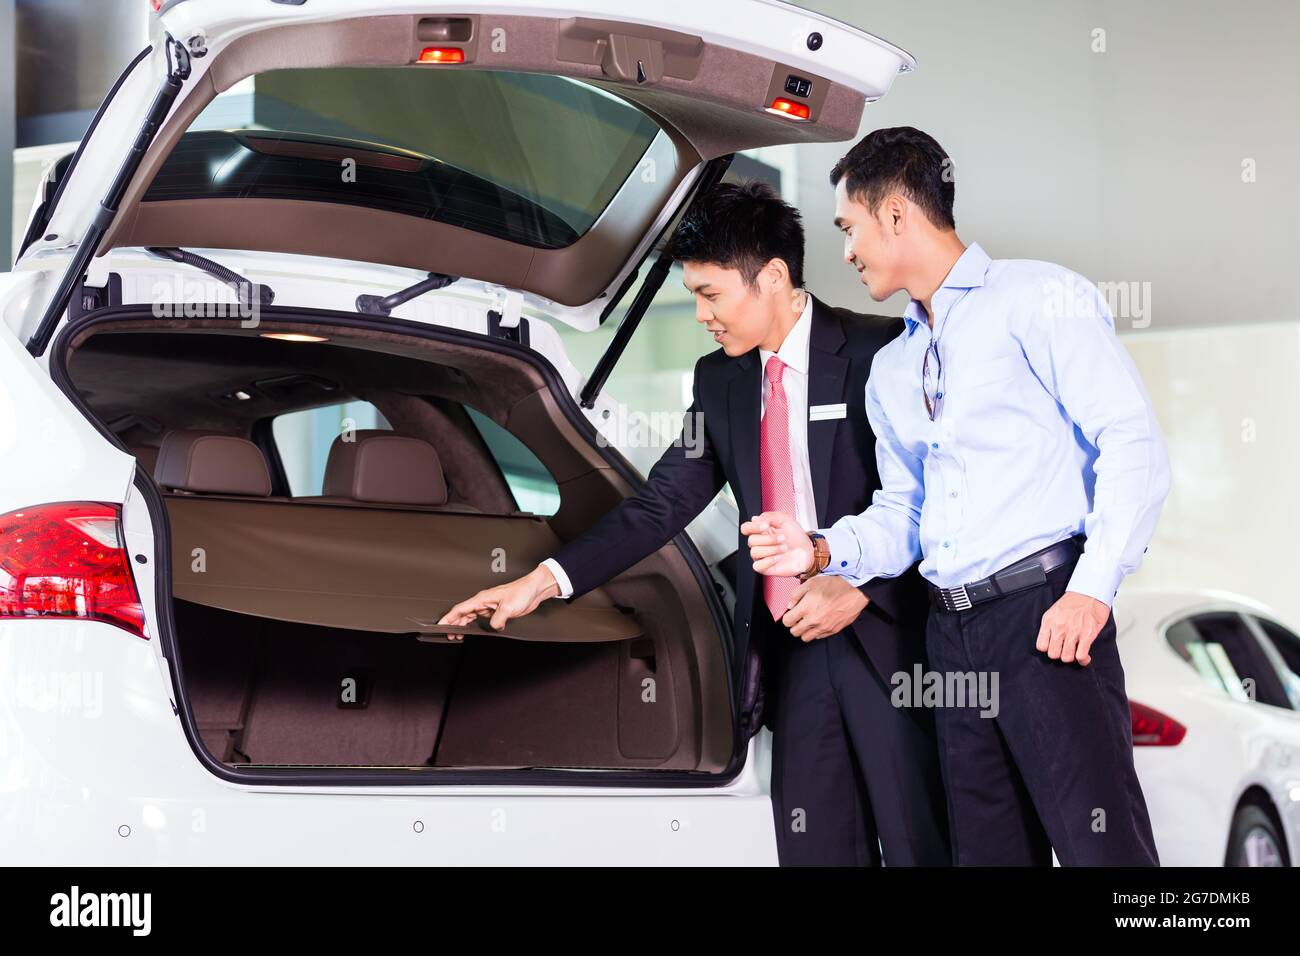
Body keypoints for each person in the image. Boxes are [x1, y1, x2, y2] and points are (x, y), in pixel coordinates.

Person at [440, 181, 950, 866]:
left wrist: (860, 585)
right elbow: (662, 505)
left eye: (711, 294)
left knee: (923, 845)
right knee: (817, 848)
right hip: (791, 652)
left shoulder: (881, 349)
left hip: (890, 644)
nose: (702, 313)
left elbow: (942, 496)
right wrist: (542, 582)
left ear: (772, 276)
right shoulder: (719, 381)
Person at [744, 127, 1171, 866]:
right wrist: (819, 548)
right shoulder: (894, 367)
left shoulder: (1039, 297)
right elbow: (905, 514)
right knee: (986, 853)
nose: (847, 252)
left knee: (1102, 853)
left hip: (1044, 618)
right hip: (950, 635)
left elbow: (1132, 442)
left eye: (851, 228)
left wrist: (1093, 589)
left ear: (898, 215)